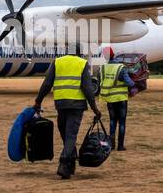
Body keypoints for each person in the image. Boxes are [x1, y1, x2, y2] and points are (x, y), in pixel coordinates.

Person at [33, 48, 102, 179]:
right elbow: (87, 88)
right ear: (79, 53)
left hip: (61, 103)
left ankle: (64, 164)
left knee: (67, 133)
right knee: (68, 134)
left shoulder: (57, 62)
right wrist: (95, 108)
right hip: (76, 105)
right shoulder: (82, 63)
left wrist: (38, 101)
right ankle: (69, 161)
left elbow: (47, 84)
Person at [98, 57, 134, 151]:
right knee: (122, 122)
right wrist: (134, 83)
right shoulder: (121, 67)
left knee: (112, 121)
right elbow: (129, 83)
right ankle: (120, 146)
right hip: (121, 98)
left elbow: (100, 82)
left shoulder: (103, 67)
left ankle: (112, 145)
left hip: (109, 98)